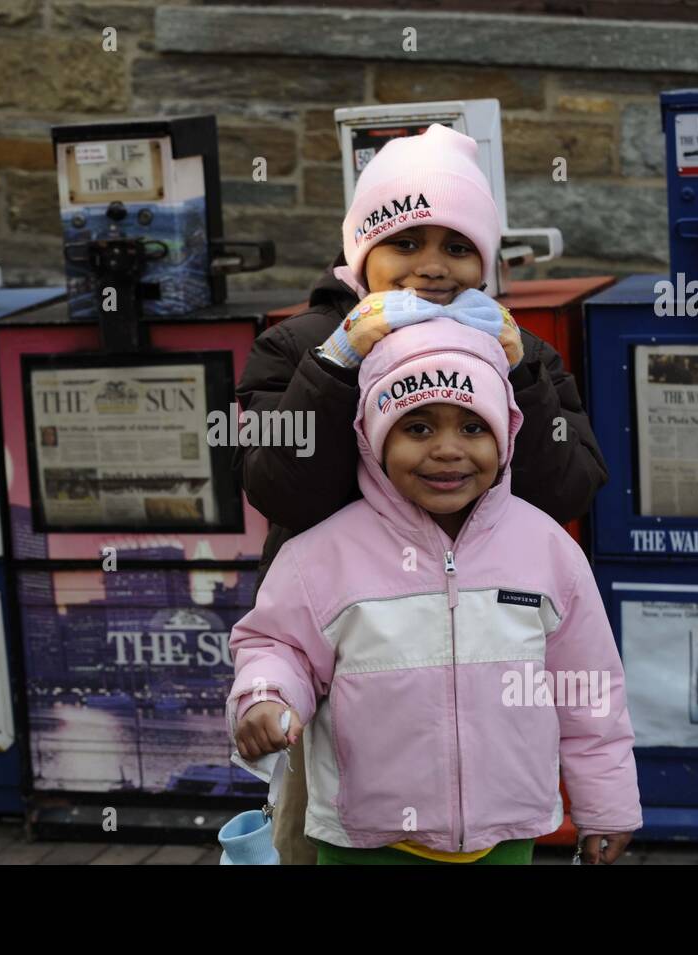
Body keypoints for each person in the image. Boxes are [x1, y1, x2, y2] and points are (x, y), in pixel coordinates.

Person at [232, 123, 609, 864]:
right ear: (360, 251)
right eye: (407, 243)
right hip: (346, 660)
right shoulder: (299, 343)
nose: (433, 268)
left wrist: (523, 372)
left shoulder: (521, 346)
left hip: (481, 654)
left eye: (457, 247)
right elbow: (281, 486)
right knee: (323, 839)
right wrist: (337, 362)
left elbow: (566, 485)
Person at [228, 316, 642, 864]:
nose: (447, 450)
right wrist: (266, 697)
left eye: (472, 428)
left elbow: (587, 690)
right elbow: (279, 648)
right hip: (365, 838)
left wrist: (606, 806)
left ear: (505, 435)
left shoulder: (545, 547)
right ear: (375, 439)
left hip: (505, 834)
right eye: (418, 428)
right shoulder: (321, 553)